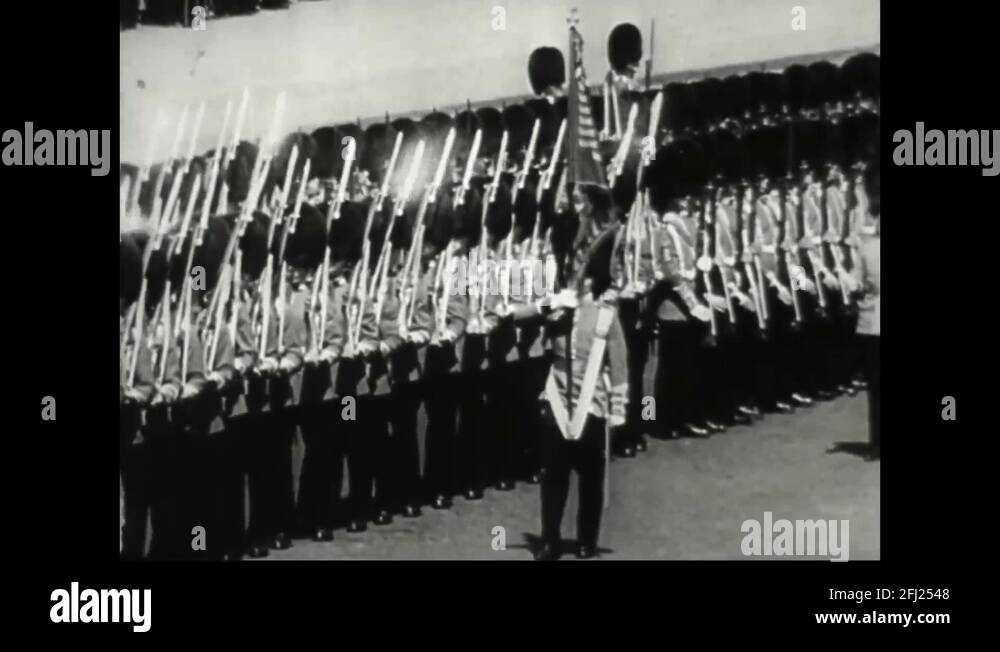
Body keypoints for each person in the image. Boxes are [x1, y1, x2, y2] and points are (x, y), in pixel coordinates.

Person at [533, 189, 629, 561]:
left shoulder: (606, 315)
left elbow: (618, 367)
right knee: (552, 476)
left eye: (583, 274)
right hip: (557, 399)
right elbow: (527, 319)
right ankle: (550, 539)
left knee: (591, 480)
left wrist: (619, 411)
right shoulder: (561, 309)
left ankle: (587, 539)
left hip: (593, 403)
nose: (578, 278)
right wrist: (551, 306)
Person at [853, 162, 880, 459]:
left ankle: (877, 442)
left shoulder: (866, 248)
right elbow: (857, 281)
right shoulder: (866, 248)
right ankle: (876, 441)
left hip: (873, 319)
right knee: (875, 387)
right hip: (872, 321)